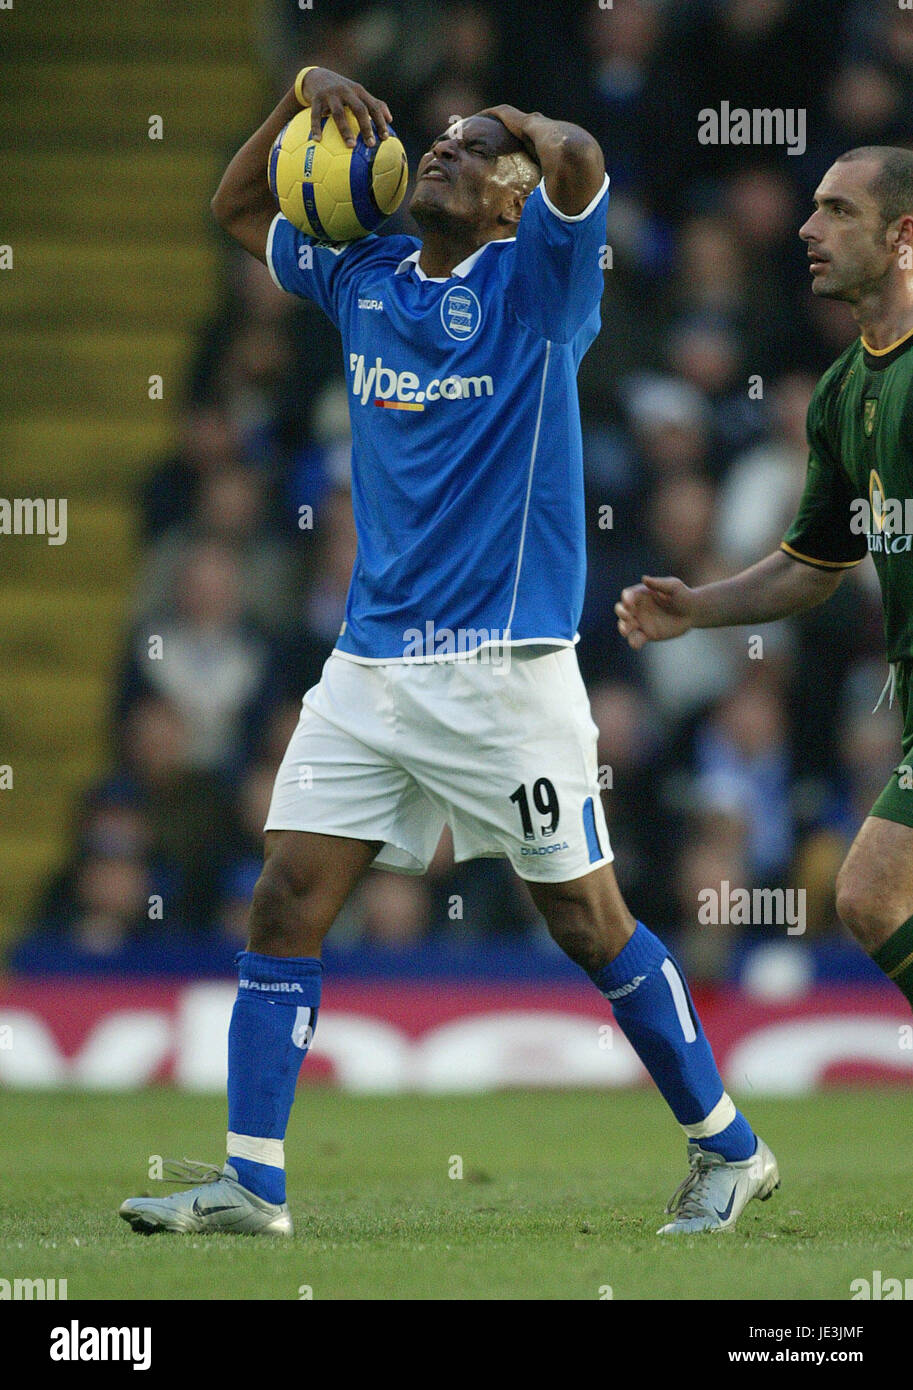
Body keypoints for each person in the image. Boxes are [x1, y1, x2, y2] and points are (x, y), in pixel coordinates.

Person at [119, 64, 776, 1239]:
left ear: (513, 203)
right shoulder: (364, 272)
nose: (444, 156)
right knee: (283, 900)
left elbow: (580, 164)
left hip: (503, 671)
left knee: (587, 923)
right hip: (368, 665)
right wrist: (293, 97)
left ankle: (728, 1148)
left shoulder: (540, 288)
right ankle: (252, 1183)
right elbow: (232, 208)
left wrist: (519, 123)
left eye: (474, 157)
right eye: (439, 145)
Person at [616, 146, 913, 1019]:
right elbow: (809, 566)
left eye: (835, 211)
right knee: (868, 896)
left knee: (866, 891)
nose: (805, 227)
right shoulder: (840, 393)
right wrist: (696, 608)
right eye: (811, 207)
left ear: (903, 237)